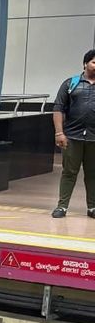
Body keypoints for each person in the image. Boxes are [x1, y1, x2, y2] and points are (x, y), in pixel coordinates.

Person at [51, 49, 95, 218]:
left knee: (92, 174)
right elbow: (58, 108)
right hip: (72, 137)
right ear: (85, 63)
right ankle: (62, 207)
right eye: (94, 62)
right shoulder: (71, 83)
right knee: (69, 172)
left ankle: (92, 208)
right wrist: (59, 133)